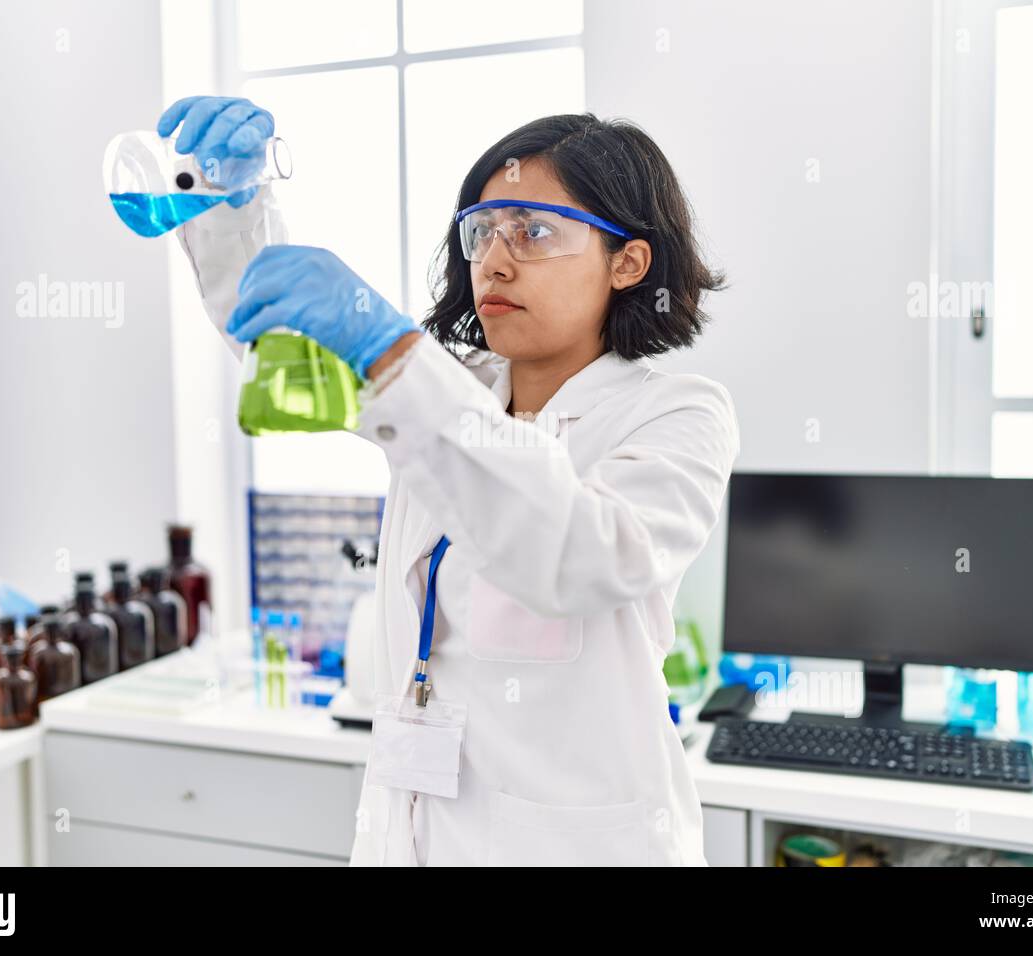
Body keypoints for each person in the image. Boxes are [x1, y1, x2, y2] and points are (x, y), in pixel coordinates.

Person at [159, 95, 740, 866]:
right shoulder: (450, 381)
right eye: (482, 231)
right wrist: (230, 205)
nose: (493, 261)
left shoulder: (676, 413)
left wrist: (393, 354)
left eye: (533, 231)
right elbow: (274, 338)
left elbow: (581, 556)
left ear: (627, 262)